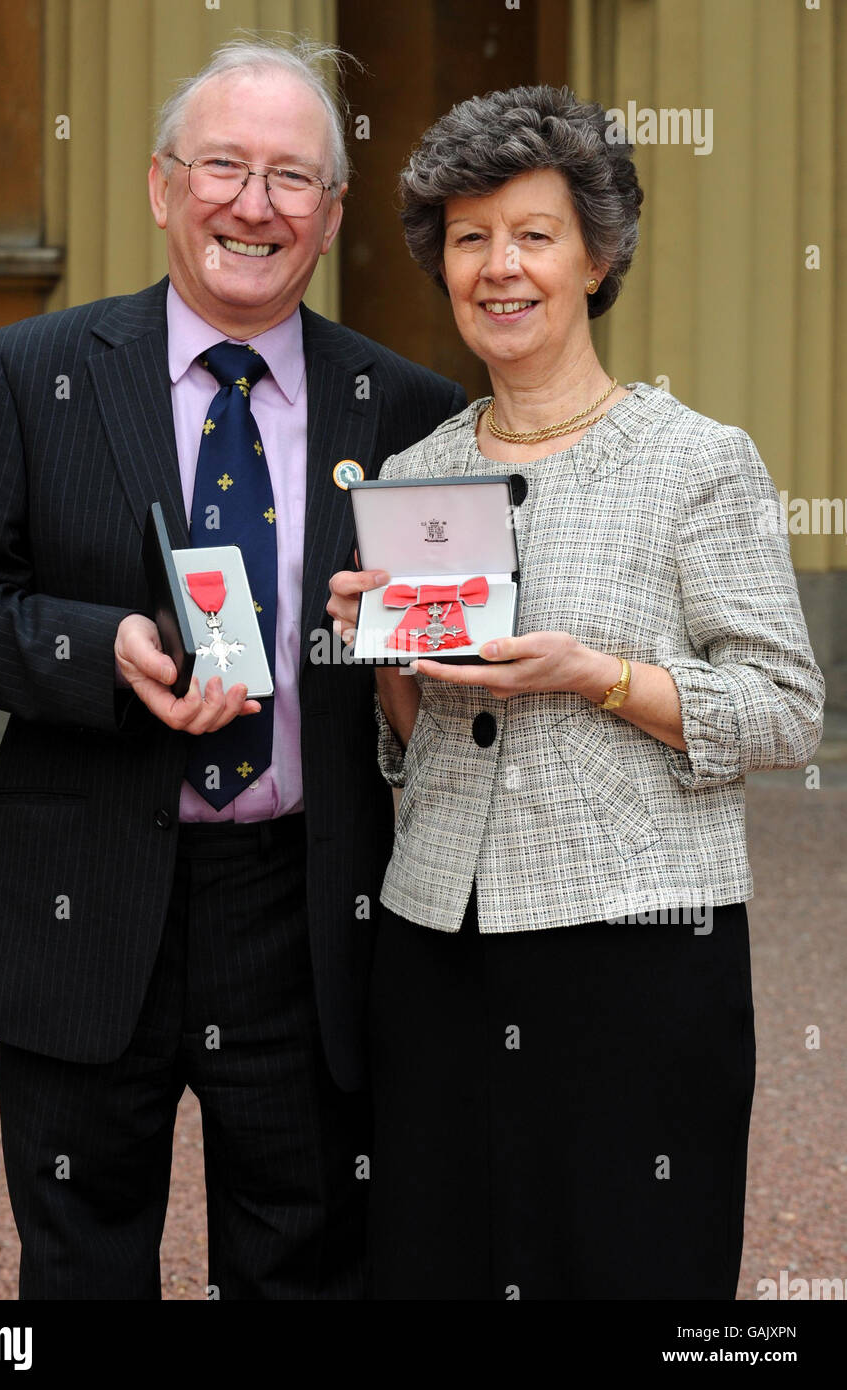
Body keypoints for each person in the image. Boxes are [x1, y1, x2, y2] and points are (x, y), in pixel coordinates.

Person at [0, 37, 465, 1300]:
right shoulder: (27, 373)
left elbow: (441, 667)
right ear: (163, 186)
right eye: (224, 166)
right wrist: (96, 647)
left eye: (289, 179)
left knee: (306, 1259)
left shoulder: (410, 409)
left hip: (311, 908)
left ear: (328, 215)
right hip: (84, 895)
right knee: (82, 1263)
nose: (252, 205)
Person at [328, 83, 824, 1300]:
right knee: (439, 1262)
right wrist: (389, 660)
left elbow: (782, 706)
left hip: (635, 953)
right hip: (438, 946)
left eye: (533, 235)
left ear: (598, 256)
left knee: (627, 1268)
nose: (500, 268)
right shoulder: (416, 469)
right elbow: (415, 750)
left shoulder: (694, 460)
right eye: (469, 238)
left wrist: (594, 674)